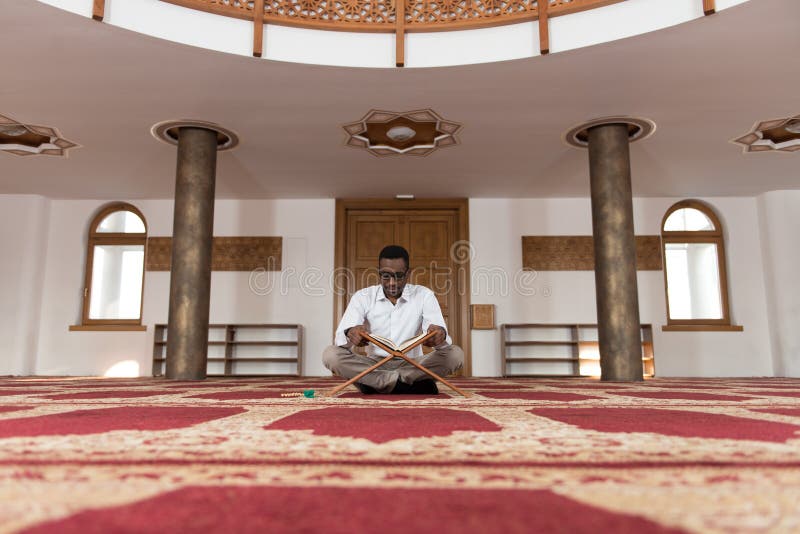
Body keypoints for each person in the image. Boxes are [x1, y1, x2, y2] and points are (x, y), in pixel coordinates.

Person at [323, 245, 463, 394]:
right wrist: (351, 333)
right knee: (330, 355)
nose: (392, 282)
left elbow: (442, 342)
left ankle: (375, 383)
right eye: (386, 276)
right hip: (374, 365)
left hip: (413, 365)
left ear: (408, 273)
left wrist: (438, 335)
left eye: (399, 275)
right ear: (379, 273)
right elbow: (340, 342)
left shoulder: (424, 295)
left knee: (455, 354)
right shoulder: (362, 296)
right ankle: (409, 385)